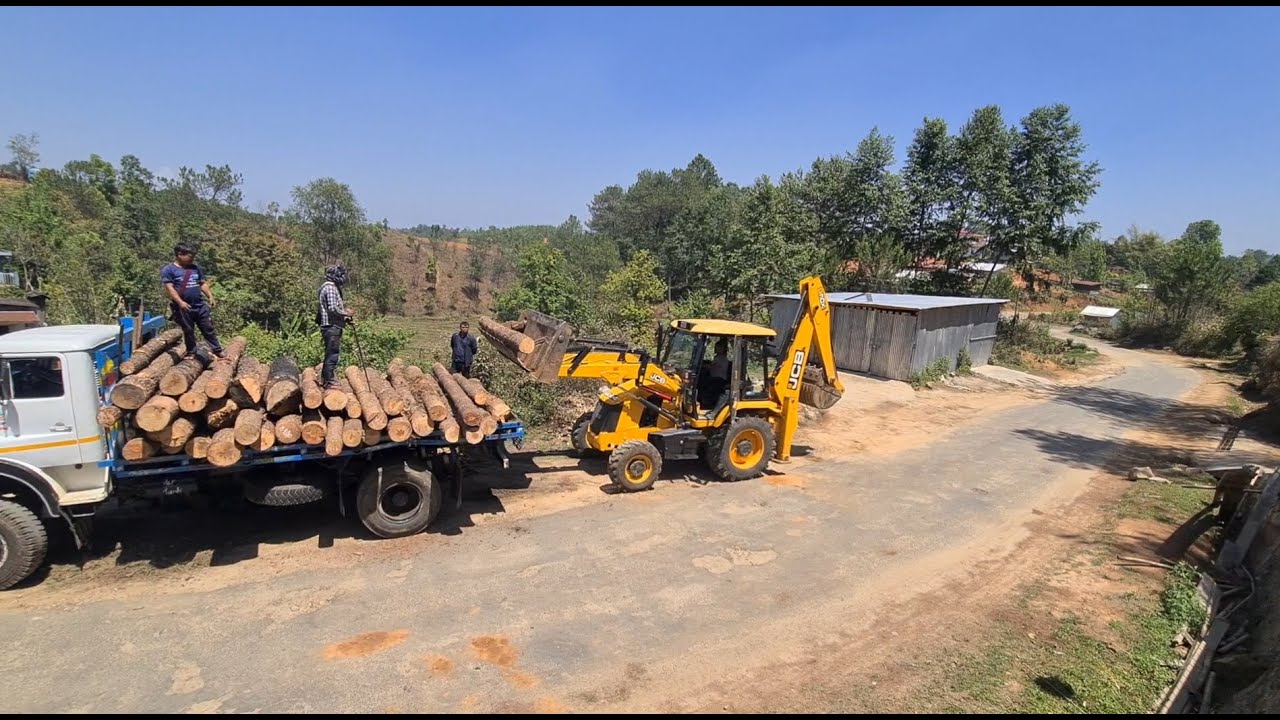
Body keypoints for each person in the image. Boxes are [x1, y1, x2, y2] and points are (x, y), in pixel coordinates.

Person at [161, 243, 224, 358]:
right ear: (180, 254)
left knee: (208, 328)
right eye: (190, 256)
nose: (193, 259)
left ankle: (217, 350)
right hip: (183, 307)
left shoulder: (195, 268)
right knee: (188, 330)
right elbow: (169, 288)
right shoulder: (168, 270)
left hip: (199, 304)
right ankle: (192, 352)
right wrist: (180, 302)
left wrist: (210, 295)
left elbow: (202, 283)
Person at [316, 265, 354, 389]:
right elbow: (333, 309)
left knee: (330, 352)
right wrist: (346, 313)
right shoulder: (330, 288)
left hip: (332, 325)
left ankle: (326, 378)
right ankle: (329, 381)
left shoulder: (328, 287)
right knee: (332, 353)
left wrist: (345, 319)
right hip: (331, 326)